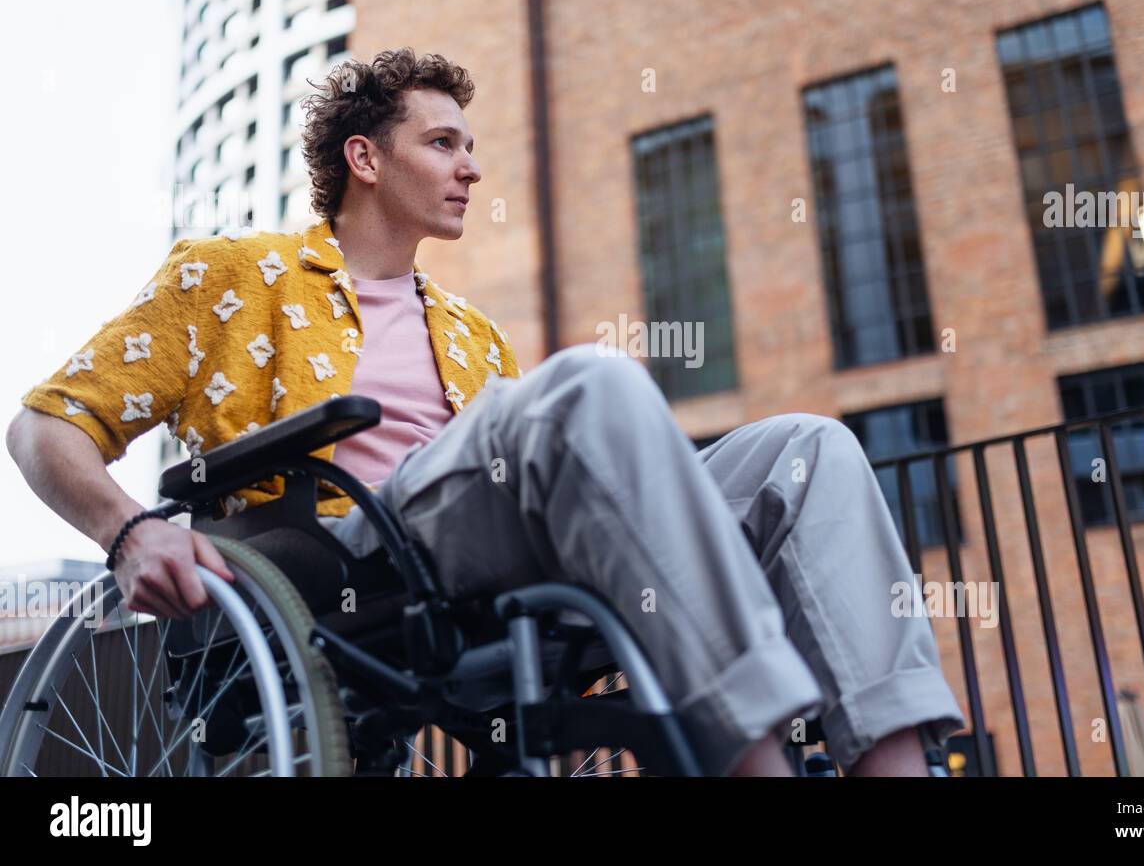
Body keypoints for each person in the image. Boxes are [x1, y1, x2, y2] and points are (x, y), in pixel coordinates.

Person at [7, 47, 965, 777]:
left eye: (470, 147)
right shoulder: (233, 276)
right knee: (589, 384)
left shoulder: (471, 333)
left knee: (808, 448)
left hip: (491, 549)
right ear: (364, 158)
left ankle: (894, 766)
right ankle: (749, 760)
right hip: (342, 548)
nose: (471, 168)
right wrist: (128, 531)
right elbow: (43, 426)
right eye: (443, 144)